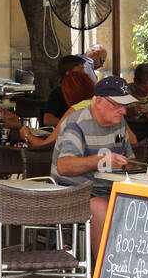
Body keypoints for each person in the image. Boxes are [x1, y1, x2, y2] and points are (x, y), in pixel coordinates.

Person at [51, 76, 136, 255]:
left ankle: (132, 269)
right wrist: (100, 160)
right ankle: (103, 276)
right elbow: (64, 166)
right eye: (117, 105)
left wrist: (136, 167)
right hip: (73, 191)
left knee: (147, 202)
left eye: (125, 105)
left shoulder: (119, 122)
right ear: (98, 101)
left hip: (107, 190)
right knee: (100, 207)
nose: (123, 111)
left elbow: (130, 160)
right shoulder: (77, 123)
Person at [21, 70, 95, 147]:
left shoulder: (76, 110)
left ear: (68, 94)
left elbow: (45, 146)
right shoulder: (100, 104)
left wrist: (27, 135)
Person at [43, 55, 87, 126]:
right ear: (68, 74)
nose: (84, 73)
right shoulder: (58, 93)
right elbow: (48, 120)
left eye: (83, 69)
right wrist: (71, 124)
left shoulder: (85, 91)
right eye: (80, 70)